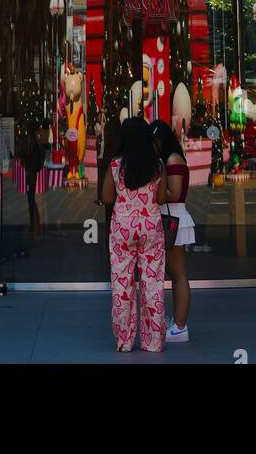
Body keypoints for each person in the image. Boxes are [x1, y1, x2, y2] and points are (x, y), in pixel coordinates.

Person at [101, 116, 166, 353]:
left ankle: (124, 340)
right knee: (152, 283)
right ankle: (152, 342)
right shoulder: (158, 165)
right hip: (150, 226)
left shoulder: (116, 165)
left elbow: (107, 197)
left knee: (122, 282)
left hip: (123, 228)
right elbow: (160, 199)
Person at [151, 120, 195, 343]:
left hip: (173, 218)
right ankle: (178, 324)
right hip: (172, 217)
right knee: (176, 274)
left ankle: (180, 326)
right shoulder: (172, 158)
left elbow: (175, 193)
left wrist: (154, 185)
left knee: (178, 275)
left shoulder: (172, 159)